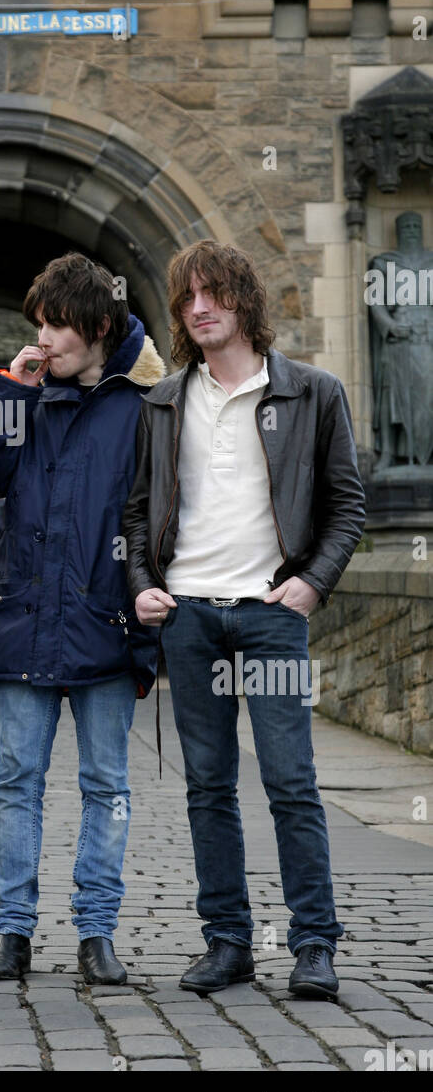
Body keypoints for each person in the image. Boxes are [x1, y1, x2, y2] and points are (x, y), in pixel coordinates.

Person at [122, 240, 365, 1000]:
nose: (199, 308)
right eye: (188, 298)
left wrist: (312, 585)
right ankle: (227, 943)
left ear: (244, 301)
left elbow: (346, 504)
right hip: (190, 617)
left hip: (269, 616)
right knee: (208, 786)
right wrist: (142, 586)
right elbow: (135, 513)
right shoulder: (162, 404)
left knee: (291, 782)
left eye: (213, 294)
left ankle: (314, 946)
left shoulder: (313, 393)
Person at [0, 252, 165, 984]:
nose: (45, 338)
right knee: (17, 780)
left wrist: (147, 620)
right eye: (40, 325)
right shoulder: (23, 397)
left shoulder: (147, 407)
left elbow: (162, 522)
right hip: (25, 618)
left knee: (106, 784)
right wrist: (6, 392)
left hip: (107, 625)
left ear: (98, 325)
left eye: (57, 325)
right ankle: (10, 931)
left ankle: (97, 933)